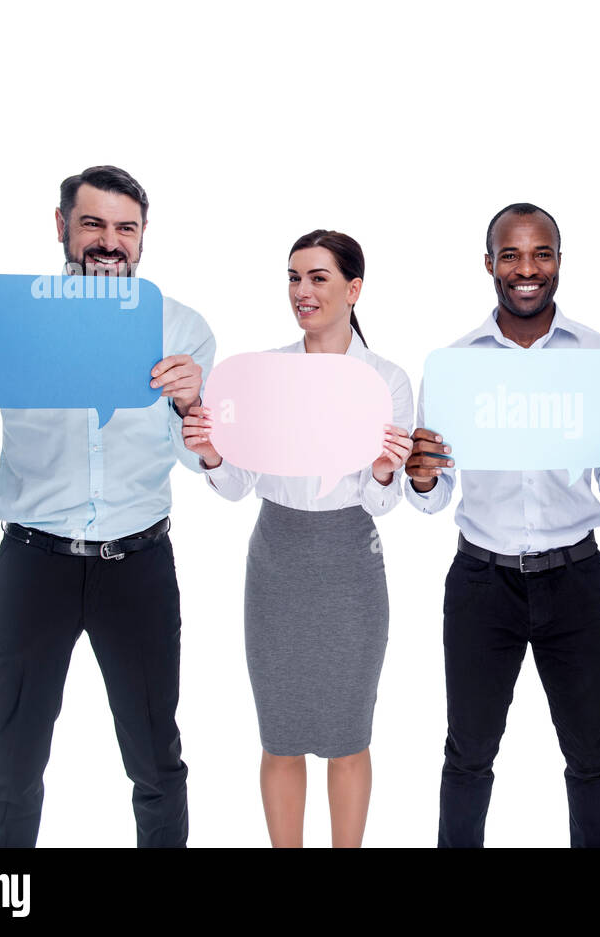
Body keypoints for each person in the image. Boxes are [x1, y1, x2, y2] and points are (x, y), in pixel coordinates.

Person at [0, 165, 214, 846]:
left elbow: (206, 459)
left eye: (126, 228)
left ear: (144, 239)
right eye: (93, 224)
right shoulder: (11, 321)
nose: (109, 242)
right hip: (35, 565)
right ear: (61, 226)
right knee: (17, 760)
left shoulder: (183, 327)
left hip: (140, 565)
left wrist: (193, 407)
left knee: (156, 759)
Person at [404, 202, 600, 848]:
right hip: (481, 582)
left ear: (559, 264)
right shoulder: (453, 365)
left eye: (541, 253)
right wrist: (424, 476)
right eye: (511, 254)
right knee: (468, 754)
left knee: (592, 755)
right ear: (489, 264)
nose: (526, 268)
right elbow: (432, 499)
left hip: (574, 577)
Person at [181, 230, 412, 848]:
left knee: (348, 733)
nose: (301, 291)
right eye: (293, 277)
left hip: (349, 563)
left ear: (353, 289)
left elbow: (382, 503)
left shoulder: (386, 381)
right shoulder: (263, 375)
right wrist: (208, 454)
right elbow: (238, 486)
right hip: (276, 559)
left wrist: (386, 470)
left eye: (317, 278)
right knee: (278, 732)